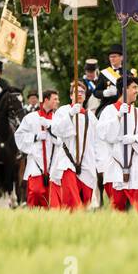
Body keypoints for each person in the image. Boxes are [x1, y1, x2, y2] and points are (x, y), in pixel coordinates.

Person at [97, 75, 138, 211]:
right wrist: (118, 117)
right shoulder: (108, 111)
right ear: (124, 90)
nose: (137, 91)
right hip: (114, 167)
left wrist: (134, 139)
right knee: (117, 208)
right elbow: (104, 135)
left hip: (135, 167)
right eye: (134, 87)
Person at [49, 81, 98, 210]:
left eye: (82, 92)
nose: (80, 94)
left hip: (86, 160)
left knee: (85, 197)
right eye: (77, 92)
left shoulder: (90, 116)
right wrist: (70, 115)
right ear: (71, 95)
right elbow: (56, 130)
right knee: (72, 198)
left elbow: (96, 140)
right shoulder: (63, 111)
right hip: (67, 160)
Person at [14, 89, 60, 208]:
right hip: (36, 160)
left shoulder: (59, 118)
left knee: (50, 198)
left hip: (53, 161)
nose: (57, 102)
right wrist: (35, 137)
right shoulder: (31, 117)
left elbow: (63, 137)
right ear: (46, 100)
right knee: (35, 192)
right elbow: (19, 135)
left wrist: (52, 132)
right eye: (55, 99)